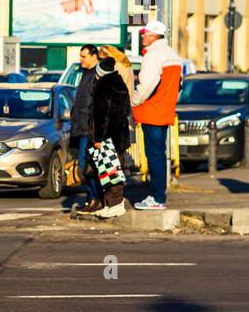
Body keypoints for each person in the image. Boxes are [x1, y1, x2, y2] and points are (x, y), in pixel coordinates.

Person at [129, 21, 182, 211]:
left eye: (145, 33)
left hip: (151, 111)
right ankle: (159, 195)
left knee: (154, 155)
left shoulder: (153, 55)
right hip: (165, 111)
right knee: (160, 154)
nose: (142, 36)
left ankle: (157, 197)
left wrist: (134, 101)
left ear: (153, 36)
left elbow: (147, 84)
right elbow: (178, 86)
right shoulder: (173, 55)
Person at [90, 56, 132, 218]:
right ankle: (109, 204)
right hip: (120, 135)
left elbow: (102, 115)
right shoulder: (119, 83)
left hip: (107, 138)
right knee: (113, 169)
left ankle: (115, 204)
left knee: (109, 171)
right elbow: (126, 111)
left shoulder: (103, 86)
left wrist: (98, 138)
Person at [71, 44, 102, 214]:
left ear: (94, 56)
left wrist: (96, 131)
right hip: (81, 127)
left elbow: (96, 105)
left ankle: (96, 198)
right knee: (85, 166)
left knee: (89, 166)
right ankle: (92, 198)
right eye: (80, 56)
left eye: (84, 56)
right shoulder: (85, 74)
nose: (80, 59)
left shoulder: (97, 75)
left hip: (90, 129)